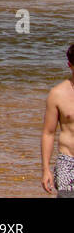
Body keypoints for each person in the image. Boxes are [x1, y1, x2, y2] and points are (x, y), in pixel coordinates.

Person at [41, 42, 74, 198]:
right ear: (70, 65)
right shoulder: (57, 94)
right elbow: (48, 133)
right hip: (68, 161)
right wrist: (46, 169)